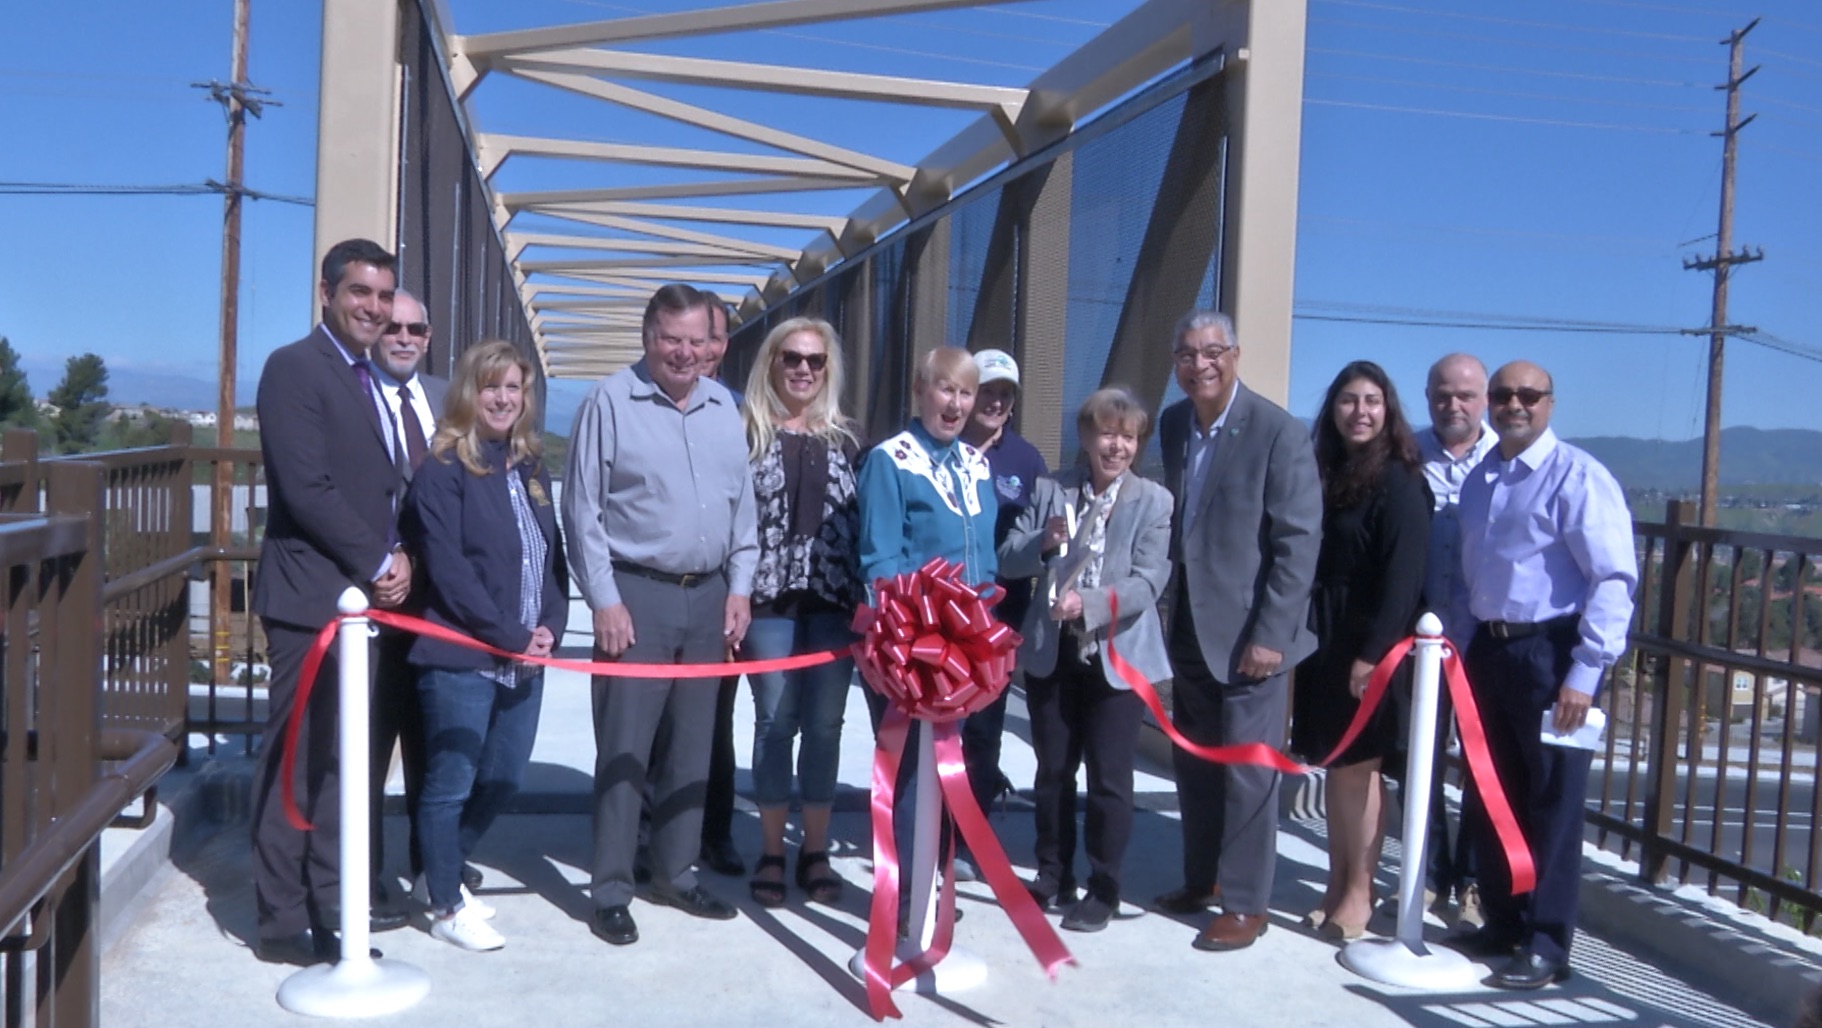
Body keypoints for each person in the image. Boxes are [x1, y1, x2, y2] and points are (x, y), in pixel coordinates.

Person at [563, 283, 758, 947]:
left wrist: (741, 586)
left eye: (695, 340)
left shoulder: (724, 408)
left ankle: (676, 870)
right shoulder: (609, 402)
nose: (683, 353)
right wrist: (604, 598)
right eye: (669, 339)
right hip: (635, 596)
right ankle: (613, 888)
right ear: (647, 338)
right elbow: (581, 509)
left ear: (711, 344)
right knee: (625, 750)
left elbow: (744, 510)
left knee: (693, 747)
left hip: (709, 597)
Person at [248, 238, 413, 965]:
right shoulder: (295, 368)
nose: (374, 309)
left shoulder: (366, 376)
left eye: (384, 296)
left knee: (344, 764)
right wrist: (381, 559)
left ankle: (331, 908)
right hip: (309, 601)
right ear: (327, 294)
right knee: (297, 757)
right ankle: (282, 918)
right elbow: (306, 487)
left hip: (357, 607)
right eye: (360, 293)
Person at [1447, 360, 1637, 990]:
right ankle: (1503, 922)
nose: (1513, 405)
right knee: (1491, 793)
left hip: (1553, 656)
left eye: (1528, 395)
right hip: (1490, 653)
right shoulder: (1482, 480)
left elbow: (1612, 578)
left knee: (1552, 803)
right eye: (1502, 395)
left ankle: (1548, 943)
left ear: (1550, 402)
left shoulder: (1578, 476)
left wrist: (1585, 672)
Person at [1155, 309, 1322, 952]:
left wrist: (1272, 633)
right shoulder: (1173, 424)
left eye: (1212, 352)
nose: (1200, 364)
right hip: (1191, 625)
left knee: (1250, 772)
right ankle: (1203, 881)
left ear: (1236, 355)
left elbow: (1297, 541)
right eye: (1188, 354)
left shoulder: (1277, 431)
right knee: (1194, 762)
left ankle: (1249, 903)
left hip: (1254, 636)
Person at [401, 341, 567, 951]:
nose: (502, 399)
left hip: (525, 656)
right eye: (491, 387)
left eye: (513, 389)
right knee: (450, 784)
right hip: (464, 657)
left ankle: (438, 870)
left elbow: (550, 557)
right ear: (469, 393)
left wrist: (551, 622)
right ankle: (445, 902)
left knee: (503, 778)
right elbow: (450, 572)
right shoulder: (443, 469)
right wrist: (512, 636)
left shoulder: (529, 465)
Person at [999, 387, 1172, 933]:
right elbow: (1009, 557)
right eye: (1106, 433)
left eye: (1127, 436)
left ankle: (1105, 886)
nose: (1116, 445)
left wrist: (1089, 605)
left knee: (1110, 778)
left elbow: (1149, 581)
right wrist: (1043, 546)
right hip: (1054, 652)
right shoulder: (1052, 489)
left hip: (1114, 654)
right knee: (1052, 771)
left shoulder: (1154, 501)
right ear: (1086, 437)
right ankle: (1052, 873)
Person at [856, 347, 997, 926]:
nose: (956, 403)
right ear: (920, 390)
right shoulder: (891, 459)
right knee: (911, 770)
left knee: (946, 769)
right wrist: (903, 644)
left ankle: (932, 883)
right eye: (945, 389)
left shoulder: (976, 464)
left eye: (966, 393)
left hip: (966, 646)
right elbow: (880, 554)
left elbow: (984, 555)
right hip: (910, 646)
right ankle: (907, 895)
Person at [1290, 361, 1431, 941]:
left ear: (1389, 410)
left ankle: (1359, 891)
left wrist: (1373, 654)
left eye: (1372, 401)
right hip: (1323, 638)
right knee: (1336, 769)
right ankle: (1336, 881)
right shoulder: (1326, 471)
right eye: (1349, 400)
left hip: (1371, 644)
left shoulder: (1399, 480)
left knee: (1360, 771)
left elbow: (1404, 579)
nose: (1360, 412)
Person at [737, 317, 862, 908]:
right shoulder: (745, 435)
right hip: (768, 607)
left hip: (832, 606)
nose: (804, 370)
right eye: (792, 358)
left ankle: (813, 850)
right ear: (772, 363)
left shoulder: (848, 441)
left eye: (815, 360)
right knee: (774, 724)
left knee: (825, 727)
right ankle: (770, 850)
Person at [367, 291, 448, 911]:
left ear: (429, 335)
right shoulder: (350, 393)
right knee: (366, 746)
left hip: (438, 609)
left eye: (414, 328)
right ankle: (364, 876)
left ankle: (435, 869)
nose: (402, 337)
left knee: (433, 746)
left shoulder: (450, 400)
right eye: (390, 326)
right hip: (369, 603)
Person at [954, 348, 1048, 879]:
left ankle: (972, 833)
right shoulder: (935, 448)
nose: (994, 402)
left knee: (983, 730)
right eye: (985, 390)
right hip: (938, 616)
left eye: (1003, 395)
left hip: (999, 619)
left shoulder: (1025, 461)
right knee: (937, 726)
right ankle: (930, 827)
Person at [1417, 352, 1498, 926]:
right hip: (1417, 640)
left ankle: (1473, 881)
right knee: (1416, 756)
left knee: (1480, 763)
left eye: (1466, 395)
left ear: (1485, 399)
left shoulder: (1507, 461)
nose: (1454, 405)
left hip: (1484, 641)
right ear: (1428, 397)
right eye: (1444, 394)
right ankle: (1428, 876)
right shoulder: (1405, 454)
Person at [696, 290, 746, 877]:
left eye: (710, 338)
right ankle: (645, 832)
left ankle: (716, 832)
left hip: (721, 592)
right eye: (687, 337)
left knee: (716, 724)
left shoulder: (739, 412)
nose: (699, 350)